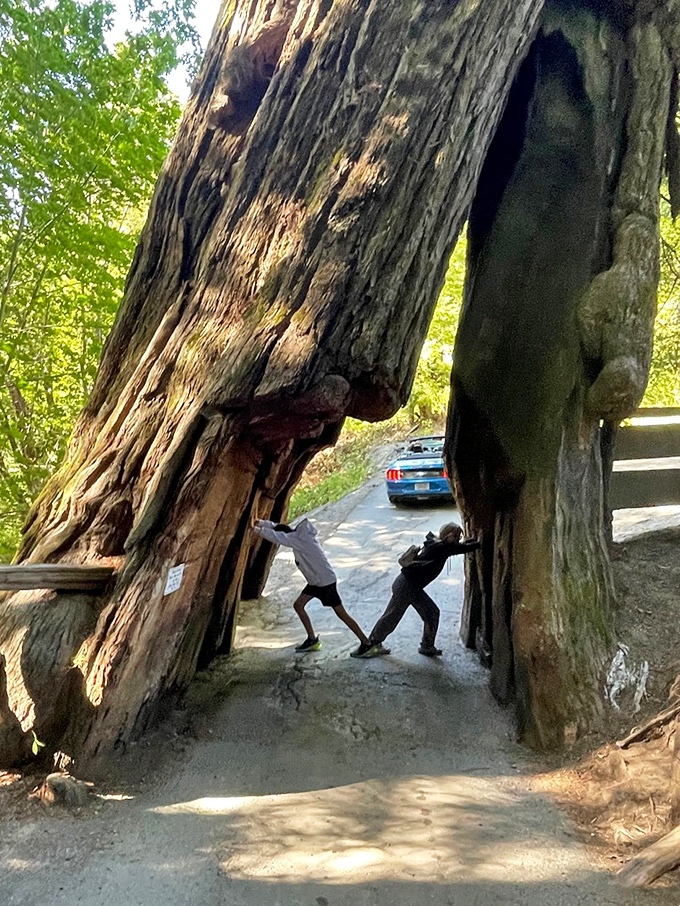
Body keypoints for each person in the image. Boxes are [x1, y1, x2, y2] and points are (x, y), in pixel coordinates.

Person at [351, 522, 481, 658]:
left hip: (406, 584)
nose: (459, 539)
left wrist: (472, 541)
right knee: (404, 615)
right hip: (408, 587)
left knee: (400, 615)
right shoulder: (440, 547)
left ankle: (377, 644)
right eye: (457, 536)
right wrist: (478, 544)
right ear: (449, 535)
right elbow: (458, 549)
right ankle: (370, 645)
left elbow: (459, 546)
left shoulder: (436, 544)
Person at [253, 517, 371, 653]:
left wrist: (255, 530)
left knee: (341, 613)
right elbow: (277, 527)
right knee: (298, 605)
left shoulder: (300, 540)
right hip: (316, 582)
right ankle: (312, 640)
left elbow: (277, 536)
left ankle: (366, 642)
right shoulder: (300, 536)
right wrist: (260, 522)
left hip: (324, 583)